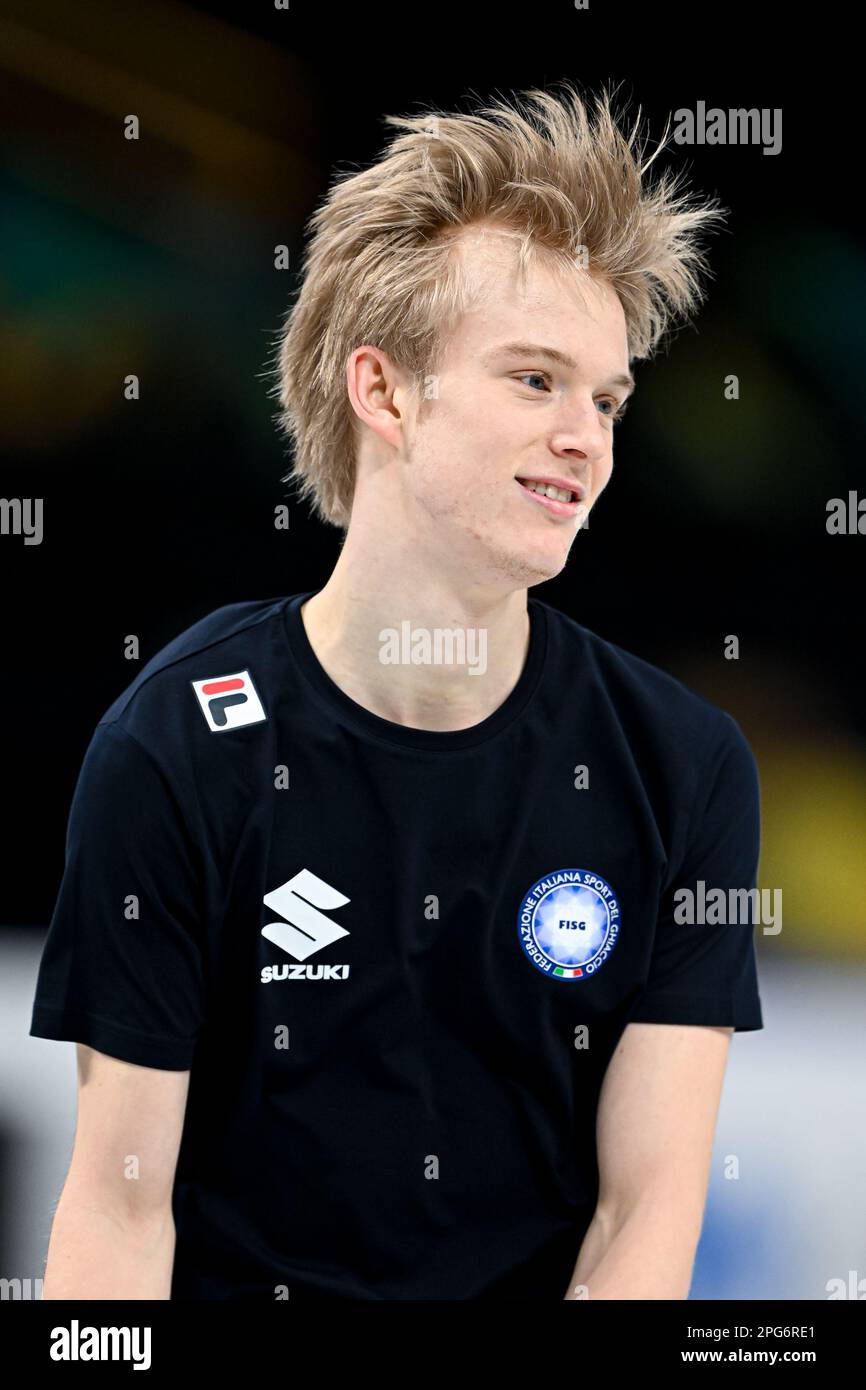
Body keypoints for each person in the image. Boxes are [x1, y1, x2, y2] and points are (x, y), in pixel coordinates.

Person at [30, 82, 763, 1301]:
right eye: (534, 380)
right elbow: (114, 1215)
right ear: (384, 393)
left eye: (605, 397)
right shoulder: (179, 738)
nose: (586, 435)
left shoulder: (678, 762)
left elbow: (647, 1219)